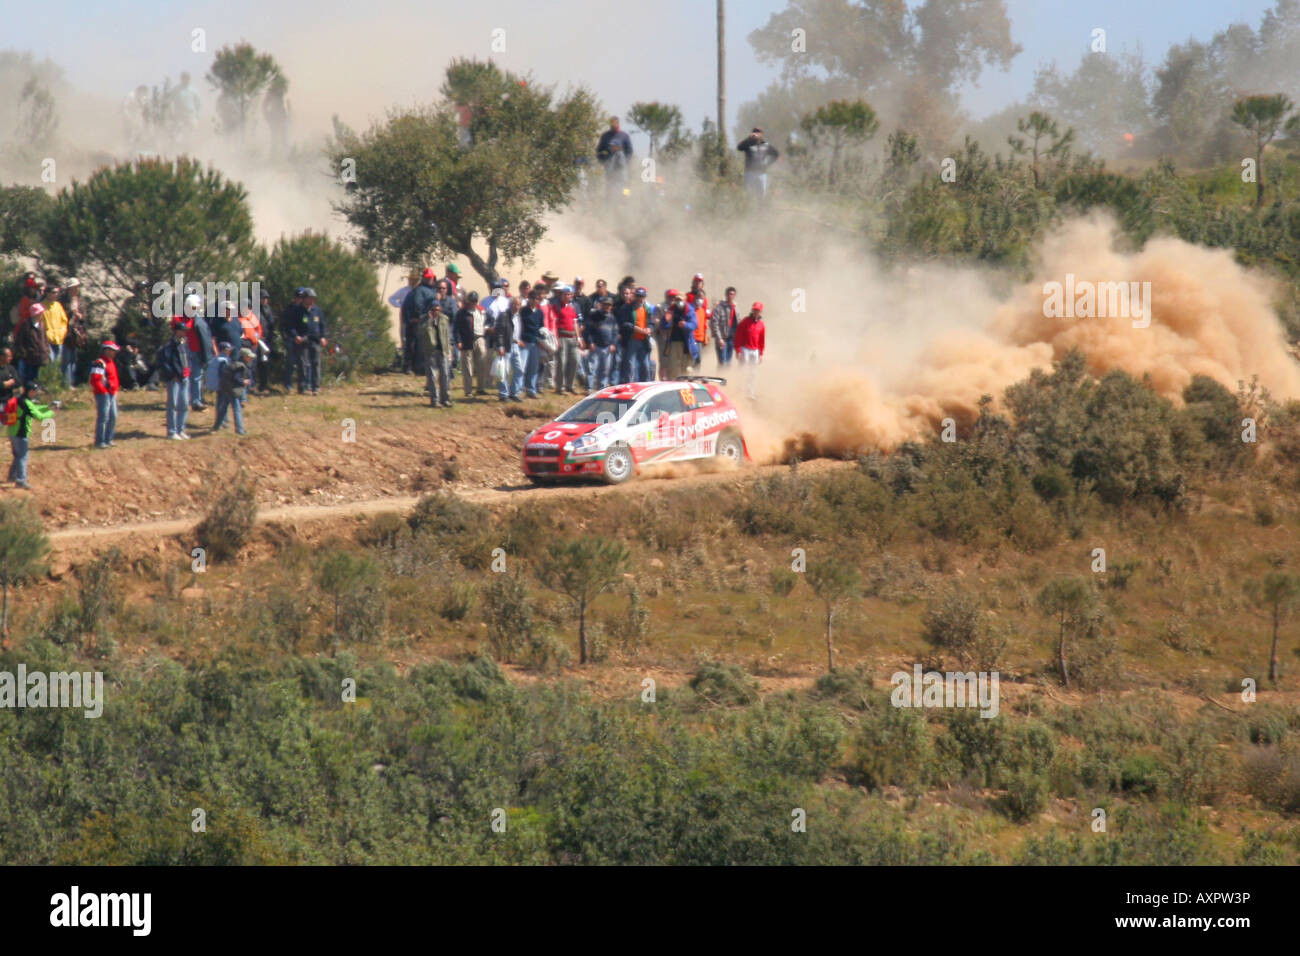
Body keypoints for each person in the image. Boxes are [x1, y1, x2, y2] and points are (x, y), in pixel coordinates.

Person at [6, 381, 52, 489]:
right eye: (35, 391)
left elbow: (34, 409)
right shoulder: (25, 403)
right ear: (30, 391)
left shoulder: (18, 400)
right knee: (22, 456)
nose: (36, 393)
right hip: (21, 433)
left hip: (12, 432)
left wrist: (47, 407)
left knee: (18, 455)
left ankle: (12, 476)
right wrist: (51, 412)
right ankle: (21, 481)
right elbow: (38, 416)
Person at [417, 284, 453, 408]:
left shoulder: (444, 319)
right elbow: (420, 332)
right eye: (433, 310)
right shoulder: (424, 319)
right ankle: (435, 400)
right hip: (430, 351)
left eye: (437, 309)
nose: (435, 312)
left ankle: (445, 399)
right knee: (432, 377)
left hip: (442, 350)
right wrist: (430, 320)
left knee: (445, 375)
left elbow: (447, 335)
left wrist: (449, 351)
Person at [178, 293, 215, 411]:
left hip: (198, 351)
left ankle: (197, 398)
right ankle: (195, 400)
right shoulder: (185, 319)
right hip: (191, 351)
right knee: (194, 377)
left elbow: (206, 336)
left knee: (197, 377)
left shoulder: (197, 318)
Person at [157, 319, 192, 439]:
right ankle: (171, 431)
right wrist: (173, 375)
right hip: (175, 379)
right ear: (177, 331)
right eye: (183, 330)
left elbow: (187, 360)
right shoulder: (169, 346)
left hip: (185, 378)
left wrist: (188, 371)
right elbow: (164, 362)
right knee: (173, 404)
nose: (185, 333)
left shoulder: (184, 344)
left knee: (184, 404)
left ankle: (180, 429)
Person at [453, 290, 491, 397]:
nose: (473, 303)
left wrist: (487, 328)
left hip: (480, 338)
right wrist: (458, 341)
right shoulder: (462, 313)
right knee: (467, 366)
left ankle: (481, 388)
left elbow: (489, 321)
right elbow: (456, 328)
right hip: (467, 339)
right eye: (472, 301)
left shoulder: (481, 311)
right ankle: (468, 390)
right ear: (467, 301)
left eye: (475, 301)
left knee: (481, 364)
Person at [617, 286, 657, 384]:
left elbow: (652, 322)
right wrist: (635, 329)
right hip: (632, 340)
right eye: (638, 296)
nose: (640, 298)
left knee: (645, 365)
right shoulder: (627, 307)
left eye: (642, 296)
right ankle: (629, 384)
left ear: (645, 297)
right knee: (630, 365)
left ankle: (645, 385)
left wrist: (650, 328)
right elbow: (623, 323)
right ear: (635, 296)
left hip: (644, 340)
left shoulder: (647, 309)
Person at [293, 288, 327, 394]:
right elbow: (290, 326)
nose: (312, 301)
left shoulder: (317, 310)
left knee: (316, 364)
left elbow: (322, 325)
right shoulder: (297, 311)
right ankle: (302, 387)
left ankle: (315, 387)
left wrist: (323, 337)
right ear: (304, 299)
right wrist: (296, 336)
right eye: (310, 298)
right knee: (302, 365)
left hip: (315, 341)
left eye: (313, 298)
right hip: (302, 341)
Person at [493, 295, 525, 402]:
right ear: (510, 305)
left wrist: (517, 341)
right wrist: (500, 346)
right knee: (503, 371)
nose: (517, 307)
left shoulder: (518, 316)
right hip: (506, 346)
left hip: (515, 346)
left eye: (519, 305)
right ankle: (503, 394)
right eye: (515, 304)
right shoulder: (504, 316)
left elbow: (513, 332)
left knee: (519, 370)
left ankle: (514, 393)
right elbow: (499, 333)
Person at [213, 343, 250, 435]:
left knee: (223, 409)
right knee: (237, 409)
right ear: (244, 357)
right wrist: (243, 382)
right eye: (249, 357)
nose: (251, 359)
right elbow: (236, 378)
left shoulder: (231, 363)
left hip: (225, 389)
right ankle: (240, 430)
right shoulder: (239, 366)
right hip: (233, 390)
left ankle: (216, 426)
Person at [89, 341, 121, 448]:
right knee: (104, 417)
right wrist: (103, 391)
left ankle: (109, 439)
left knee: (113, 416)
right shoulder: (99, 362)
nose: (115, 353)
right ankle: (100, 441)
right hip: (103, 394)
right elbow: (95, 380)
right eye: (113, 351)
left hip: (112, 394)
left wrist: (115, 390)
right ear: (107, 350)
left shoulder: (111, 362)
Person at [660, 291, 698, 381]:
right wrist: (666, 320)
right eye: (677, 300)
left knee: (686, 367)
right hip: (673, 342)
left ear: (685, 300)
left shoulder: (689, 310)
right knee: (673, 366)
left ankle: (686, 384)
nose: (678, 302)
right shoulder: (671, 310)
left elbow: (694, 324)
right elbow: (663, 326)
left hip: (686, 343)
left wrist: (685, 325)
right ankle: (674, 383)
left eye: (680, 300)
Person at [551, 285, 581, 394]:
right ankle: (560, 387)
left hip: (572, 337)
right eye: (565, 294)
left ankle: (570, 385)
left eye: (569, 295)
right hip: (562, 337)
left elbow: (575, 323)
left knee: (575, 360)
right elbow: (553, 322)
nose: (567, 297)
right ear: (561, 295)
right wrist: (556, 338)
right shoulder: (556, 307)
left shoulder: (571, 307)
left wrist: (579, 337)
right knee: (561, 363)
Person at [584, 294, 618, 391]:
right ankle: (589, 388)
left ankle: (601, 389)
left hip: (607, 347)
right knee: (592, 368)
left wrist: (613, 344)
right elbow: (589, 331)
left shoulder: (612, 318)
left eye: (609, 305)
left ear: (611, 307)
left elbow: (615, 333)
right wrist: (590, 342)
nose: (607, 307)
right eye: (605, 304)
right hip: (595, 346)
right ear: (601, 305)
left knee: (605, 370)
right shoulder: (594, 316)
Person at [734, 302, 766, 400]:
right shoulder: (745, 321)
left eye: (758, 310)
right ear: (752, 310)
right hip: (745, 349)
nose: (756, 312)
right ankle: (739, 390)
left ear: (761, 311)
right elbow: (738, 336)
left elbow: (762, 339)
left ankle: (751, 393)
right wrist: (738, 350)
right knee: (742, 370)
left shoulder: (761, 324)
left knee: (753, 373)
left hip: (755, 351)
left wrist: (761, 353)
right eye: (754, 310)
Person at [596, 116, 633, 201]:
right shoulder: (605, 136)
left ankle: (626, 201)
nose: (614, 126)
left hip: (621, 168)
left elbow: (629, 151)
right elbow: (599, 151)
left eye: (615, 123)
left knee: (624, 187)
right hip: (609, 168)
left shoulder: (624, 136)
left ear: (618, 123)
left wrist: (626, 162)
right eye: (612, 124)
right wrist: (602, 161)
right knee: (610, 188)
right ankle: (609, 205)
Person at [391, 270, 421, 374]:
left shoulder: (419, 291)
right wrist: (401, 306)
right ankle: (406, 362)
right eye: (410, 279)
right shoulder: (404, 290)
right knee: (405, 337)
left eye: (413, 280)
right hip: (406, 315)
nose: (411, 281)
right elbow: (392, 299)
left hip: (417, 317)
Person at [13, 301, 50, 385]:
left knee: (39, 378)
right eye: (40, 313)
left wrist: (47, 350)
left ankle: (37, 394)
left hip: (41, 356)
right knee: (29, 378)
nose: (41, 314)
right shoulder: (25, 325)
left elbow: (45, 339)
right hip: (30, 357)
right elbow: (19, 341)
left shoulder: (42, 325)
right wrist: (24, 353)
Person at [519, 288, 547, 398]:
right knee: (522, 367)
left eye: (537, 299)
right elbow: (520, 327)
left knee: (534, 367)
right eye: (533, 298)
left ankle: (531, 389)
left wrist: (541, 341)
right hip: (525, 342)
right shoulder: (523, 311)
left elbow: (541, 327)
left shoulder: (539, 312)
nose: (535, 300)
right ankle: (520, 388)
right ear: (528, 299)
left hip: (536, 343)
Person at [737, 127, 780, 198]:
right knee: (748, 194)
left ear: (762, 134)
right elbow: (739, 147)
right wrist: (748, 138)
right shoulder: (748, 144)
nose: (756, 133)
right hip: (749, 173)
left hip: (762, 173)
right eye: (755, 132)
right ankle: (748, 208)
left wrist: (767, 163)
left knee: (761, 195)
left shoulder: (766, 145)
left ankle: (761, 208)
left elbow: (776, 154)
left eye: (758, 132)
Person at [60, 279, 88, 387]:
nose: (76, 289)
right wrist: (71, 312)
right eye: (74, 287)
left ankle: (72, 381)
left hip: (77, 332)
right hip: (66, 332)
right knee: (66, 358)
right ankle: (66, 382)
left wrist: (81, 316)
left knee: (74, 358)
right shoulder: (63, 300)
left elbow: (85, 315)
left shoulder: (81, 300)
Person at [41, 283, 69, 381]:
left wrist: (63, 332)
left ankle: (55, 382)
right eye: (54, 292)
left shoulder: (58, 305)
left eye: (57, 292)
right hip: (47, 339)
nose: (56, 294)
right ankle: (48, 382)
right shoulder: (41, 306)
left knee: (57, 362)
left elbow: (64, 320)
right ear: (47, 293)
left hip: (59, 338)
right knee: (50, 361)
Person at [279, 289, 304, 389]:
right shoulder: (289, 309)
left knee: (303, 362)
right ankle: (288, 384)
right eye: (299, 297)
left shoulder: (304, 309)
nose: (300, 299)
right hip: (291, 339)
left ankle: (302, 385)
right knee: (290, 362)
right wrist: (290, 336)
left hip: (302, 340)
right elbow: (286, 325)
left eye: (302, 297)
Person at [710, 286, 739, 368]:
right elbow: (714, 323)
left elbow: (738, 324)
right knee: (722, 362)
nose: (731, 296)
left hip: (731, 339)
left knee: (728, 363)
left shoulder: (736, 308)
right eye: (730, 294)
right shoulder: (719, 308)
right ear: (726, 295)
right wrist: (719, 338)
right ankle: (720, 378)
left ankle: (727, 379)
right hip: (722, 339)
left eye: (733, 294)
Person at [685, 274, 709, 370]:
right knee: (689, 357)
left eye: (700, 282)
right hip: (690, 332)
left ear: (702, 284)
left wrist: (706, 332)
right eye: (696, 281)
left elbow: (705, 316)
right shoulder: (688, 296)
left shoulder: (704, 298)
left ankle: (696, 376)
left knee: (698, 358)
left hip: (700, 333)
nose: (698, 283)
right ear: (693, 282)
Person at [263, 74, 289, 153]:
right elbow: (264, 104)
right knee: (275, 137)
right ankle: (274, 154)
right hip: (274, 116)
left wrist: (289, 113)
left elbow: (287, 103)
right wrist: (267, 116)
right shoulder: (271, 91)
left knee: (283, 136)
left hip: (281, 115)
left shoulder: (282, 90)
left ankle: (284, 154)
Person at [256, 290, 276, 394]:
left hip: (267, 340)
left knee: (265, 363)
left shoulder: (268, 310)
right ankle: (255, 385)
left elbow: (271, 324)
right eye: (263, 298)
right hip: (257, 340)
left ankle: (264, 384)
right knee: (256, 362)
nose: (265, 300)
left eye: (266, 298)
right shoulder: (255, 310)